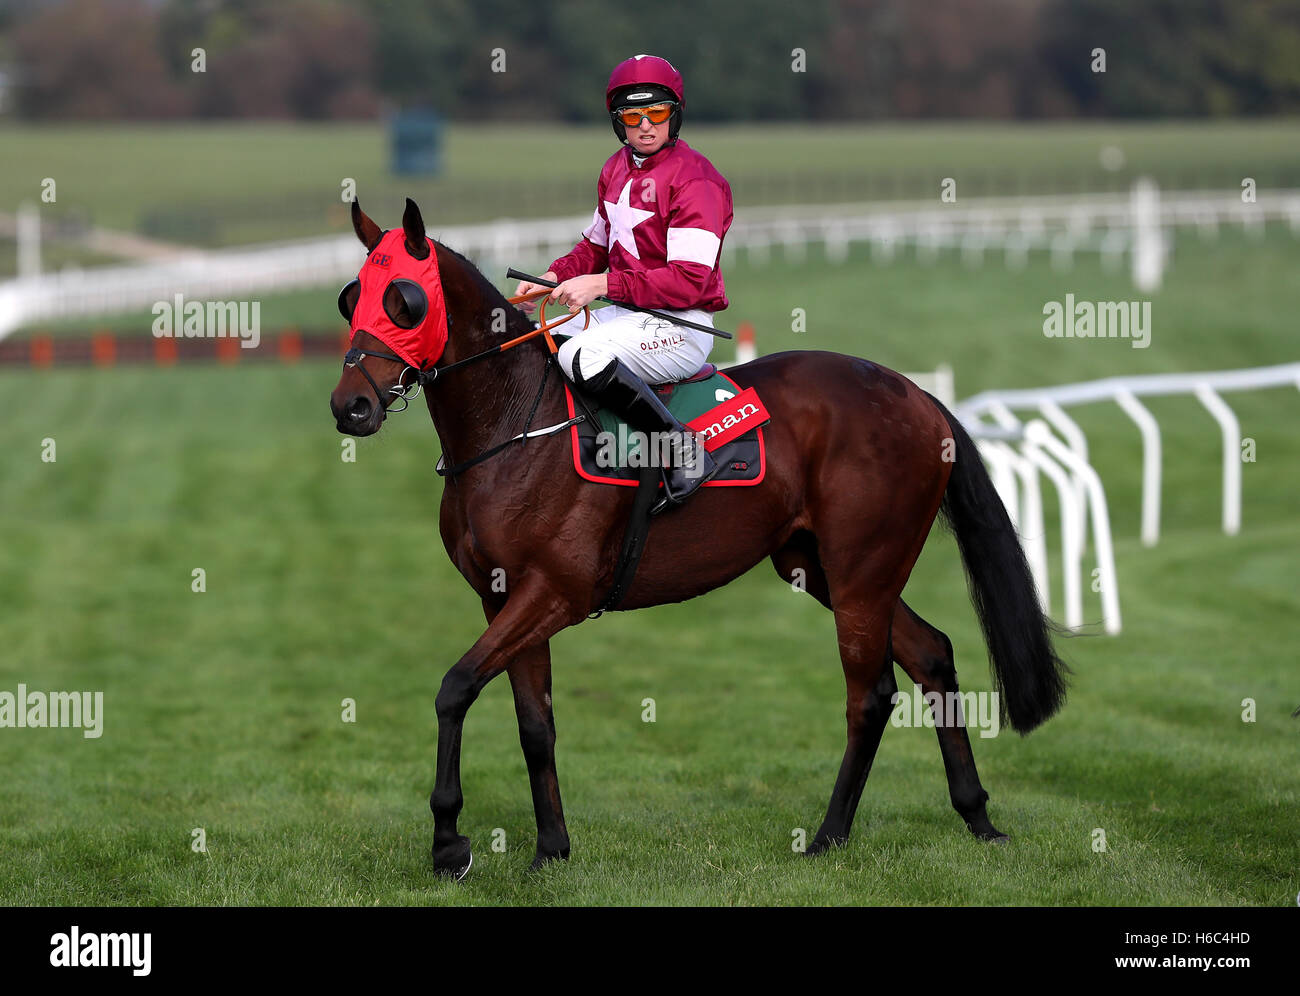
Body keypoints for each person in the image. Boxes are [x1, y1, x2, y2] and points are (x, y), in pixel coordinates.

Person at [515, 54, 734, 512]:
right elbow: (594, 248)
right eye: (633, 117)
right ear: (619, 122)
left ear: (674, 114)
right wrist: (553, 276)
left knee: (581, 355)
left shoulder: (697, 180)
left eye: (657, 113)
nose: (646, 126)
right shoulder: (616, 169)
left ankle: (683, 450)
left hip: (681, 324)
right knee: (534, 341)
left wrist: (601, 286)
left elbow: (690, 281)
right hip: (628, 315)